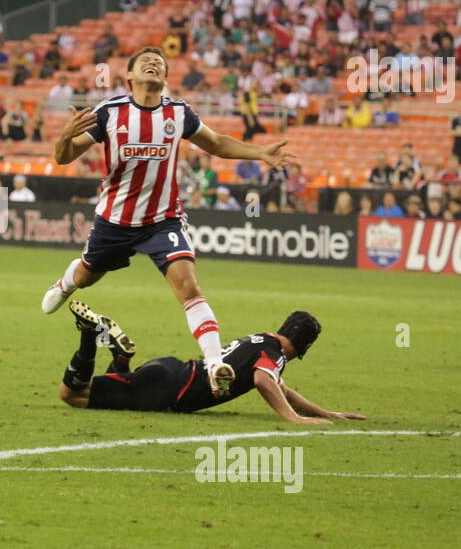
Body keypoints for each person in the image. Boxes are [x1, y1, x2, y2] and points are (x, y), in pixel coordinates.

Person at [42, 46, 297, 399]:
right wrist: (64, 135)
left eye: (159, 64)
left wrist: (260, 152)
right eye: (145, 62)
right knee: (87, 275)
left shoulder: (178, 113)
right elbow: (62, 158)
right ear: (129, 76)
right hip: (115, 220)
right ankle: (66, 283)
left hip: (164, 221)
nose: (153, 64)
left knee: (189, 287)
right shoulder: (109, 113)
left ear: (164, 78)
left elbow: (217, 143)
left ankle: (213, 363)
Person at [58, 301, 365, 424]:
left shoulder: (263, 341)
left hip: (169, 373)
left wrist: (327, 413)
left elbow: (278, 386)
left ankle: (120, 359)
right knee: (71, 395)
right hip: (169, 390)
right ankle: (89, 336)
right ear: (305, 344)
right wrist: (292, 419)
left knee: (104, 398)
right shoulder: (274, 355)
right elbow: (262, 381)